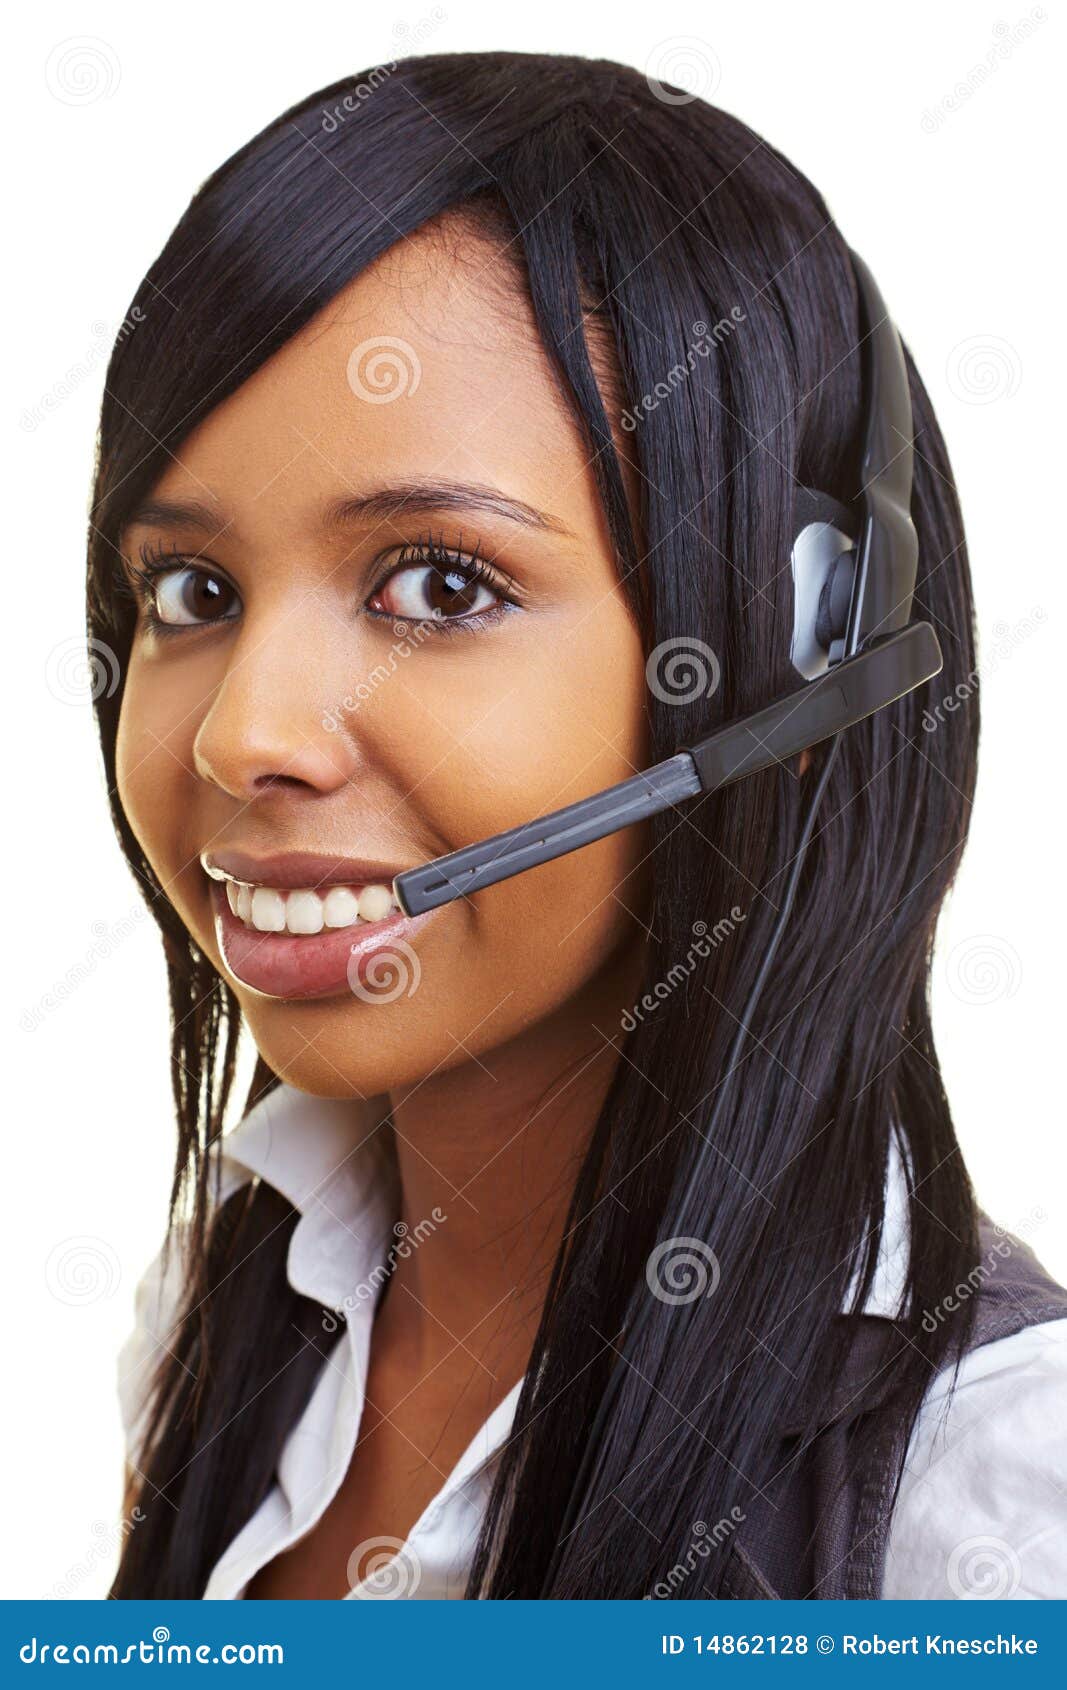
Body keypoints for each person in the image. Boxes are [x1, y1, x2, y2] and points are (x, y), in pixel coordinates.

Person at [90, 51, 1067, 1599]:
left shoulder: (997, 1502)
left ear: (807, 661)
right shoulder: (230, 1293)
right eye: (193, 591)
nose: (242, 733)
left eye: (440, 584)